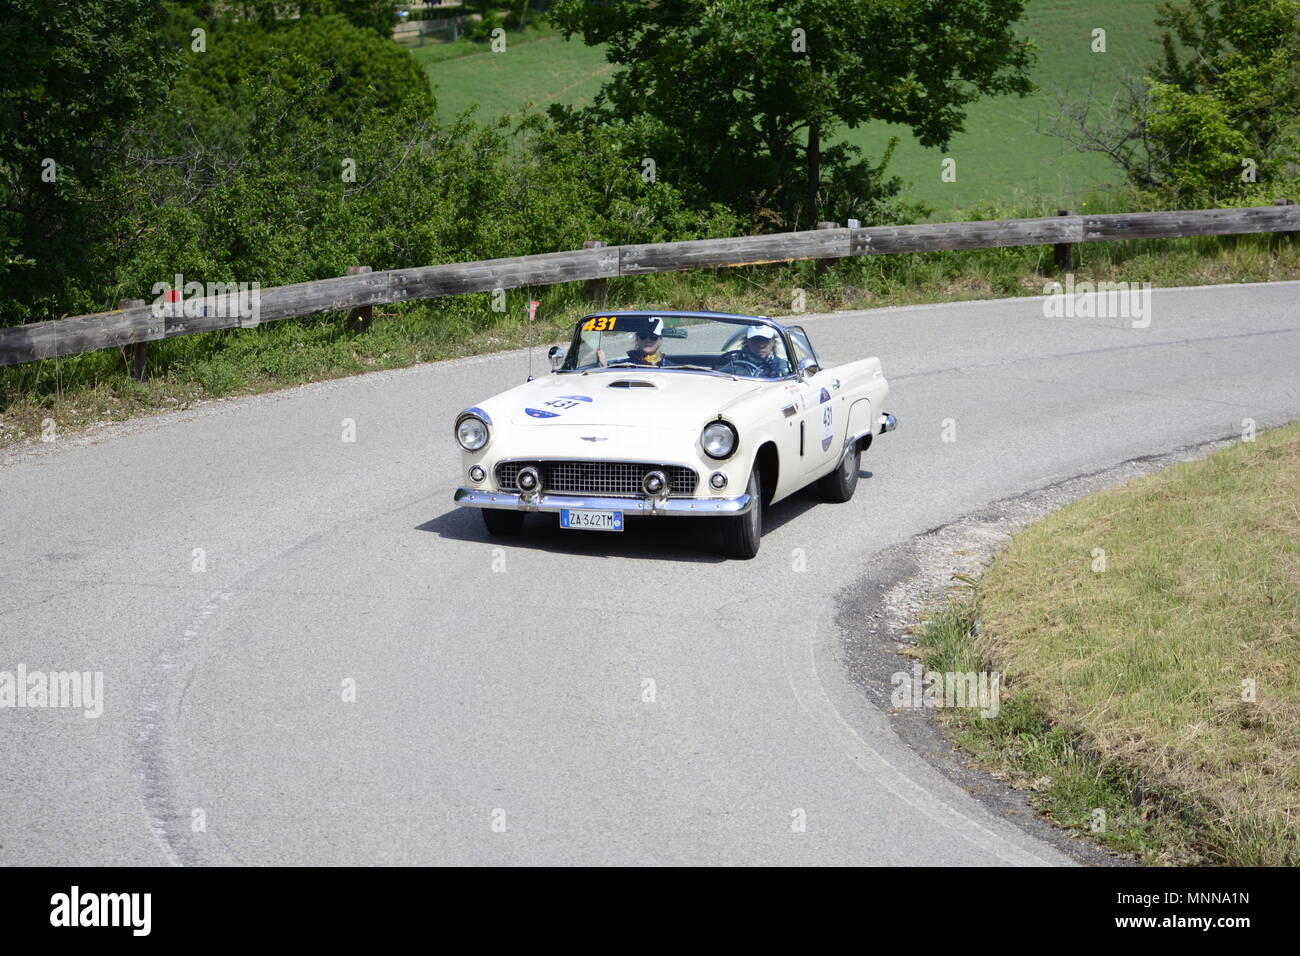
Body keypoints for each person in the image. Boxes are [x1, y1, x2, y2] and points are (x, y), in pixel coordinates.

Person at [596, 317, 673, 367]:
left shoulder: (671, 368)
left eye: (653, 336)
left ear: (660, 340)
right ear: (637, 338)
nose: (648, 339)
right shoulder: (623, 367)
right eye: (643, 335)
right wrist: (604, 366)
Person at [718, 325, 788, 377]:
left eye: (765, 340)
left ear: (773, 342)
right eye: (756, 340)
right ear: (748, 342)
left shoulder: (782, 367)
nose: (761, 345)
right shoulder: (733, 362)